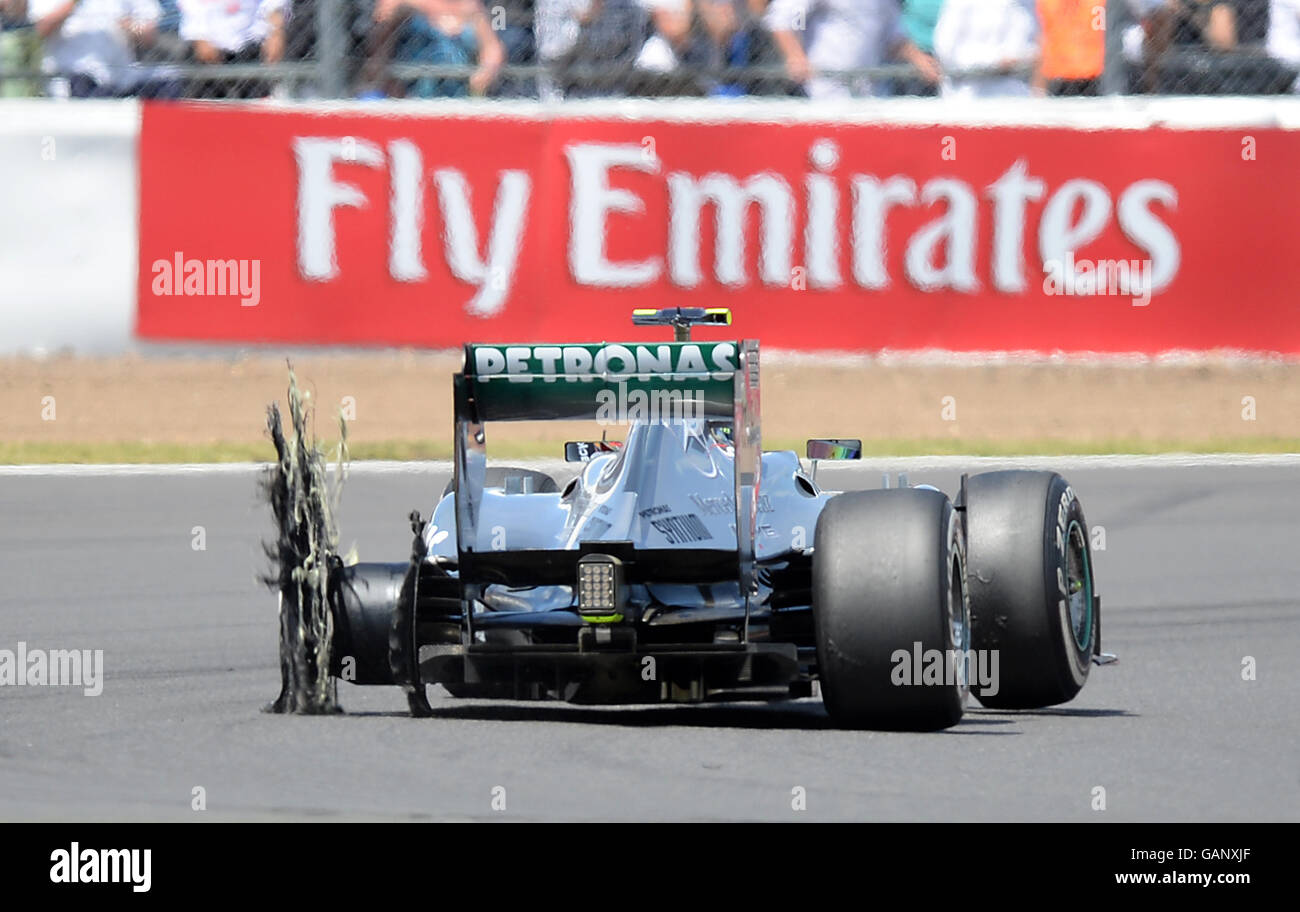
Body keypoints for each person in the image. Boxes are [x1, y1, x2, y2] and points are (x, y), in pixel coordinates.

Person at [764, 0, 940, 98]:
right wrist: (795, 55)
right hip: (824, 87)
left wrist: (918, 58)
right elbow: (784, 18)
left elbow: (892, 35)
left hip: (871, 89)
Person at [362, 0, 503, 97]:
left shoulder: (470, 6)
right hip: (410, 83)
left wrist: (484, 73)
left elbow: (492, 47)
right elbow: (383, 19)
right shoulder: (400, 3)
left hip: (456, 86)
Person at [28, 0, 163, 96]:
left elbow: (149, 36)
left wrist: (129, 25)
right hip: (71, 84)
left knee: (168, 79)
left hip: (119, 85)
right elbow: (43, 28)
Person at [178, 0, 286, 96]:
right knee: (202, 107)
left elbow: (273, 5)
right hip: (208, 44)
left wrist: (275, 32)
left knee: (256, 104)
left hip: (250, 43)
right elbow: (190, 7)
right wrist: (199, 36)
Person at [933, 0, 1039, 98]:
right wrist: (995, 60)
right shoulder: (960, 3)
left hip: (1013, 95)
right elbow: (946, 53)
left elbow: (1030, 46)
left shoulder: (1023, 5)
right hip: (967, 95)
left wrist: (1021, 57)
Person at [1036, 0, 1104, 95]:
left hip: (1096, 75)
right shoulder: (1048, 3)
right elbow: (1042, 38)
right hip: (1058, 76)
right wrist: (1038, 86)